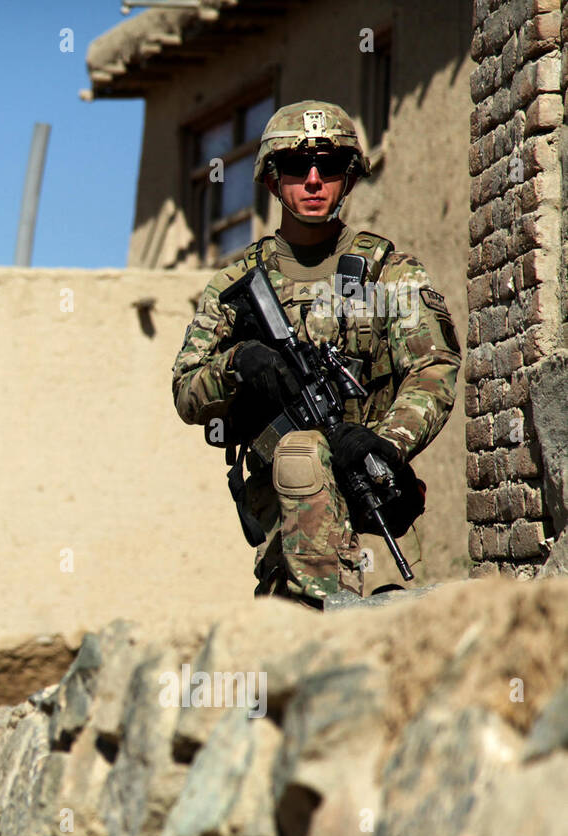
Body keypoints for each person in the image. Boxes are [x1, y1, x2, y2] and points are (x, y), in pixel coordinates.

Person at [171, 100, 461, 607]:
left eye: (327, 167)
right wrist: (237, 366)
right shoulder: (236, 284)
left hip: (365, 496)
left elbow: (432, 369)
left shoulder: (388, 274)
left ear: (347, 178)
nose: (311, 180)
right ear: (269, 180)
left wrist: (382, 442)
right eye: (294, 167)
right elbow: (187, 392)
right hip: (282, 515)